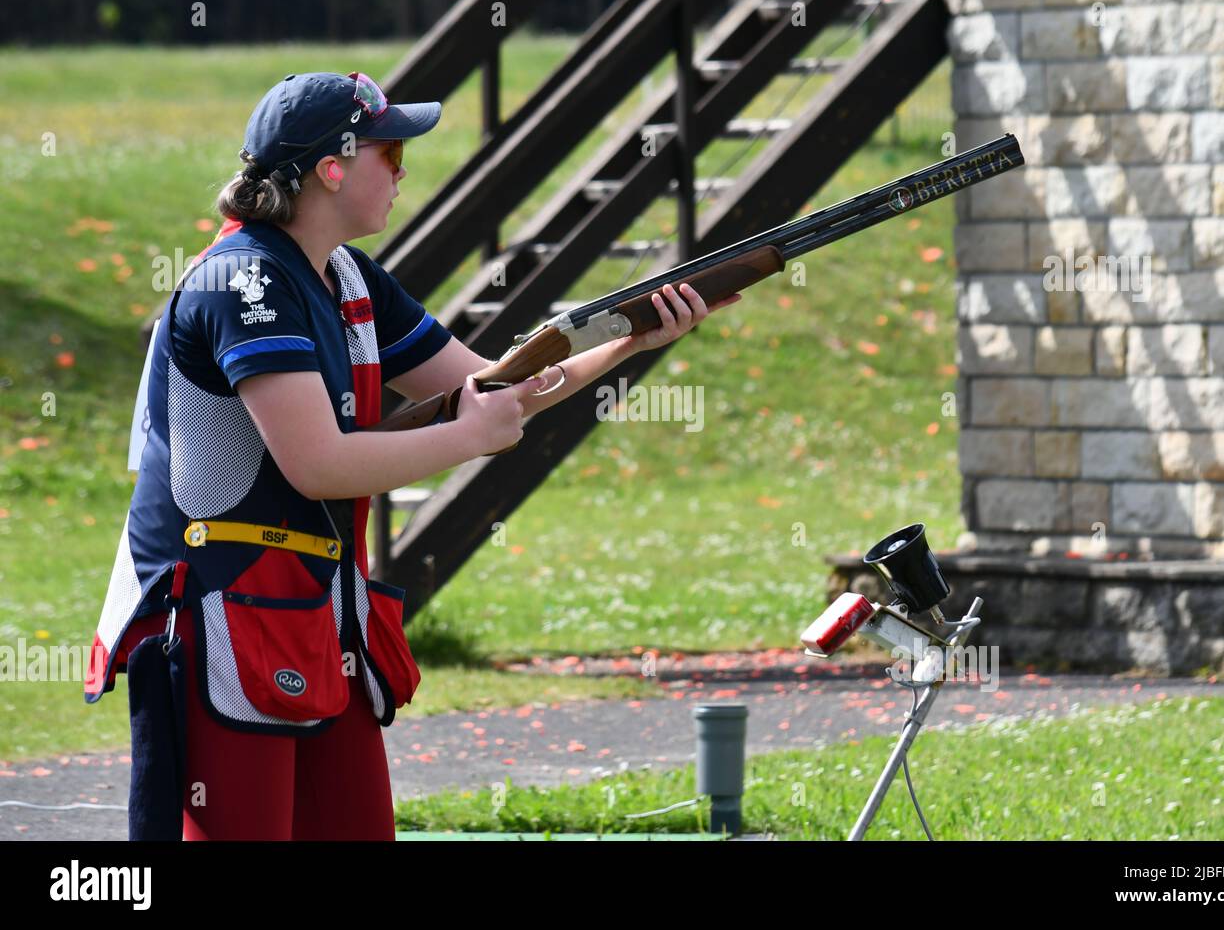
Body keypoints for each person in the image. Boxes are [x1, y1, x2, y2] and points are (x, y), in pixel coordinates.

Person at [83, 70, 740, 840]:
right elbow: (318, 464)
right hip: (218, 613)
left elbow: (496, 385)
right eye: (390, 153)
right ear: (332, 168)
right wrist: (467, 438)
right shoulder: (243, 280)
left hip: (312, 613)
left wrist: (634, 337)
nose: (402, 171)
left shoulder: (348, 277)